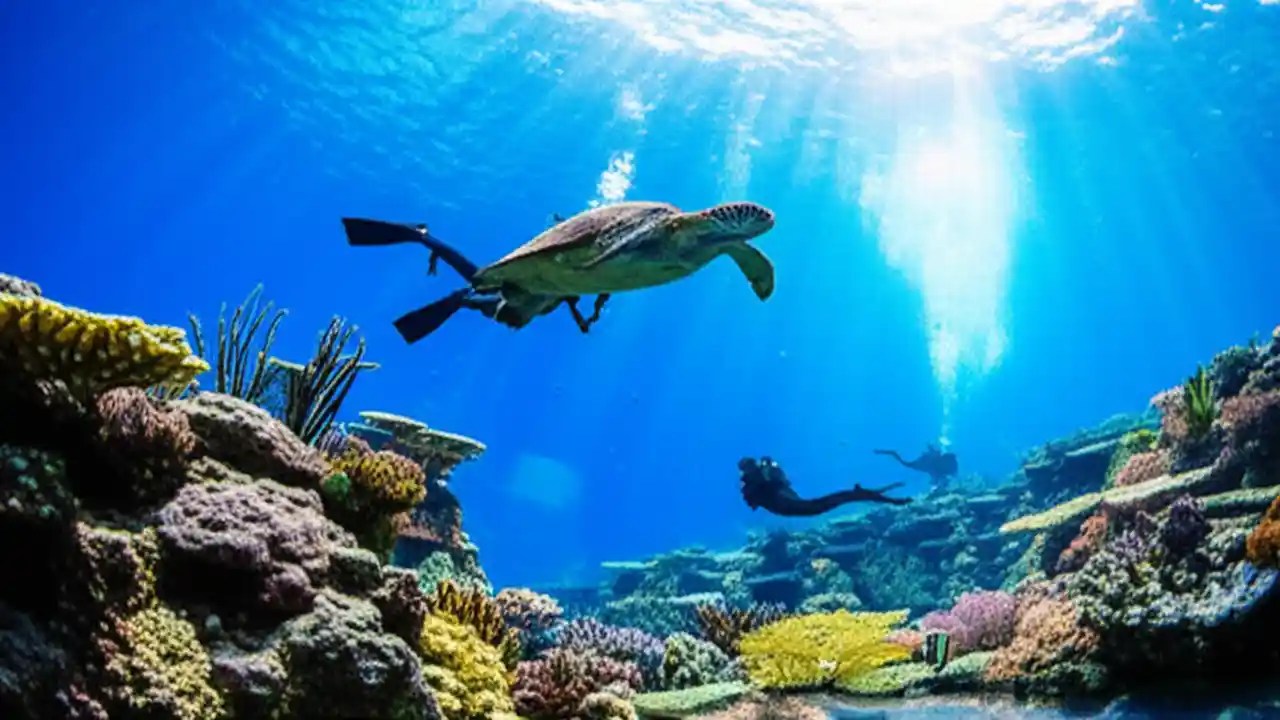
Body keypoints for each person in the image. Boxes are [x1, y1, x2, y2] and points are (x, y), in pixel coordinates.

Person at [738, 456, 912, 517]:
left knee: (845, 496)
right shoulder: (756, 483)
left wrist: (770, 470)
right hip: (793, 505)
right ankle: (889, 499)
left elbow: (781, 484)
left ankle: (887, 499)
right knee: (844, 497)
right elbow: (779, 485)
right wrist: (770, 469)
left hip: (791, 504)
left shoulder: (754, 483)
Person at [872, 443, 958, 484]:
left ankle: (886, 452)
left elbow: (936, 477)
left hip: (935, 468)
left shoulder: (936, 467)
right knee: (906, 463)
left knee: (906, 463)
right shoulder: (931, 464)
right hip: (932, 467)